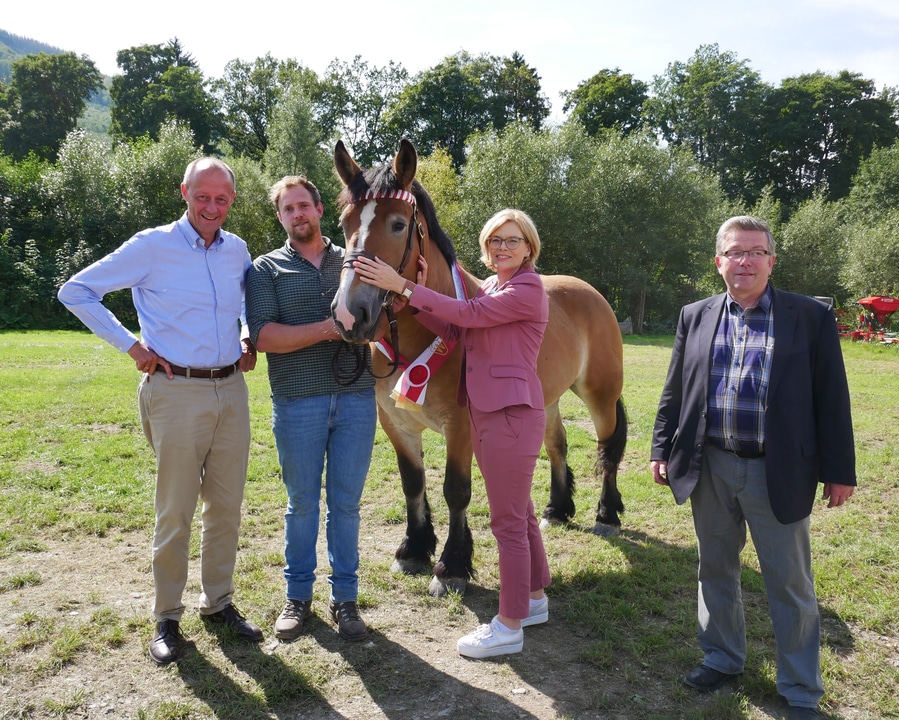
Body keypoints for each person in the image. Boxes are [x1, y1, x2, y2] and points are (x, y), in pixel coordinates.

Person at [57, 157, 263, 667]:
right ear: (184, 192)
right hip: (175, 391)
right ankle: (166, 617)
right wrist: (132, 347)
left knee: (227, 506)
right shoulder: (152, 246)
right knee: (175, 510)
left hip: (231, 389)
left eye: (221, 198)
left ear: (231, 200)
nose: (212, 206)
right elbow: (76, 290)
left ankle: (218, 605)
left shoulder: (237, 249)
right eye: (202, 196)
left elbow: (240, 304)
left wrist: (243, 334)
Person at [649, 216, 856, 720]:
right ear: (718, 261)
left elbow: (833, 398)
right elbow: (676, 389)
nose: (745, 261)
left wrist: (840, 469)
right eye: (735, 252)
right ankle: (722, 658)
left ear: (771, 261)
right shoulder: (694, 315)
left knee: (789, 583)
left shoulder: (809, 317)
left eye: (756, 252)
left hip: (779, 470)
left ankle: (801, 689)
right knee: (715, 569)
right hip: (710, 465)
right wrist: (661, 447)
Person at [354, 208, 552, 659]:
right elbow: (460, 328)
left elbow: (470, 313)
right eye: (495, 240)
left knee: (506, 524)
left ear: (529, 247)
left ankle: (509, 624)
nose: (503, 247)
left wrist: (404, 285)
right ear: (485, 247)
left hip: (508, 413)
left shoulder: (526, 287)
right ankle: (534, 599)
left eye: (512, 240)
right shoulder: (500, 286)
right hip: (491, 411)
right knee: (519, 514)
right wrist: (412, 301)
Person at [245, 176, 377, 642]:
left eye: (304, 205)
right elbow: (263, 337)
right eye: (288, 209)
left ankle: (346, 602)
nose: (297, 214)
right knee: (302, 504)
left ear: (320, 209)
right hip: (298, 401)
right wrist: (329, 328)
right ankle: (298, 598)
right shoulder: (265, 270)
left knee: (346, 505)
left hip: (358, 399)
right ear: (280, 217)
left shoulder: (355, 260)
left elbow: (382, 318)